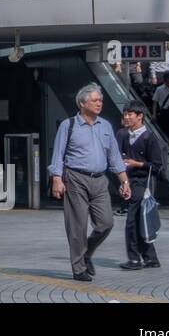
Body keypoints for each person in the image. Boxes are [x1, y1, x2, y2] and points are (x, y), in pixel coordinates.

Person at [48, 83, 133, 281]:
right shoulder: (68, 125)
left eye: (100, 100)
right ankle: (79, 269)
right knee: (77, 226)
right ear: (82, 103)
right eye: (95, 100)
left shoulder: (105, 126)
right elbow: (58, 154)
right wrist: (57, 180)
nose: (99, 103)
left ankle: (86, 253)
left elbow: (114, 157)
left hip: (100, 180)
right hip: (75, 178)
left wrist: (124, 181)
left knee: (106, 223)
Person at [116, 102, 162, 270]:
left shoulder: (149, 138)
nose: (126, 117)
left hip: (143, 183)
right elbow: (116, 160)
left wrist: (137, 164)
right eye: (125, 114)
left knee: (132, 220)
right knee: (138, 220)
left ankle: (134, 259)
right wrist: (122, 182)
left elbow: (157, 166)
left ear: (140, 116)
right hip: (128, 181)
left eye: (130, 114)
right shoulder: (121, 135)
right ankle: (150, 258)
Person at [151, 71, 169, 139]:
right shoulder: (159, 89)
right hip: (163, 112)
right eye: (168, 79)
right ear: (165, 79)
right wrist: (154, 114)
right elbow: (155, 103)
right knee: (164, 130)